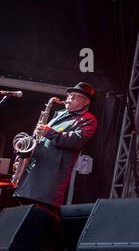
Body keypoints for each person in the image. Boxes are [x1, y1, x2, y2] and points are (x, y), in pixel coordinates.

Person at [12, 82, 98, 213]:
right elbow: (39, 139)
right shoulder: (60, 114)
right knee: (22, 212)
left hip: (49, 178)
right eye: (69, 95)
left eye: (74, 96)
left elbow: (76, 140)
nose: (68, 98)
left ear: (85, 102)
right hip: (33, 172)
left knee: (38, 216)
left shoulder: (88, 120)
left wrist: (49, 132)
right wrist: (24, 153)